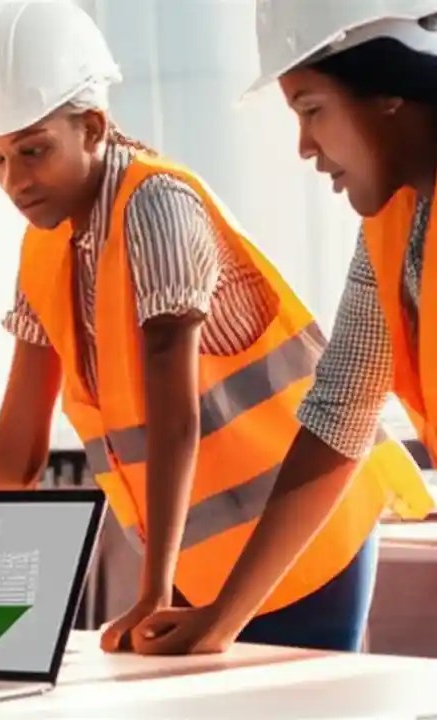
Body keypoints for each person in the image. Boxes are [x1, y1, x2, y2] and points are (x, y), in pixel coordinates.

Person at [0, 0, 431, 654]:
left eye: (311, 109)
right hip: (215, 568)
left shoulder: (157, 204)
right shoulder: (390, 228)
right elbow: (16, 445)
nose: (14, 181)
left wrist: (162, 590)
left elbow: (177, 418)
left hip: (302, 546)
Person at [134, 0, 437, 656]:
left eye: (311, 109)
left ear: (384, 86)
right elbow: (341, 412)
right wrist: (224, 618)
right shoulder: (394, 224)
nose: (304, 147)